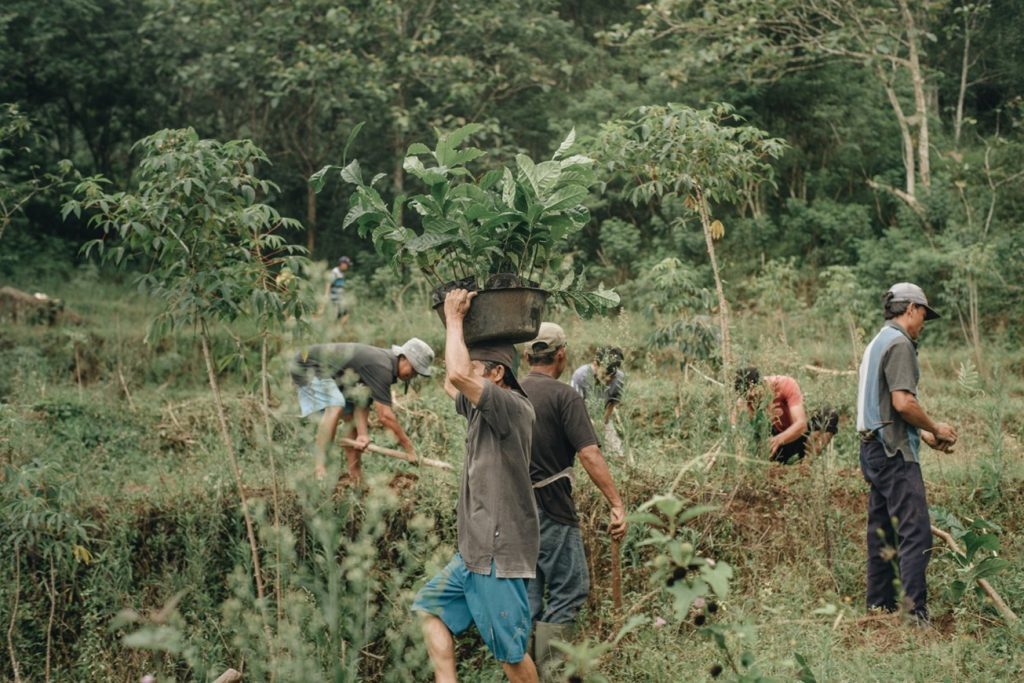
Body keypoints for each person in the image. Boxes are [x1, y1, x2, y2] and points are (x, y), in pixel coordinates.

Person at [413, 289, 540, 683]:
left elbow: (456, 375)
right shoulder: (479, 407)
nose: (469, 373)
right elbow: (453, 384)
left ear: (497, 373)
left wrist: (454, 320)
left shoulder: (511, 407)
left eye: (478, 367)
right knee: (429, 609)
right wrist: (461, 336)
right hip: (472, 554)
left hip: (498, 554)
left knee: (511, 656)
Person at [519, 323, 627, 679]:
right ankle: (549, 670)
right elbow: (590, 453)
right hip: (551, 506)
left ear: (526, 356)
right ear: (561, 355)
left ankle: (524, 669)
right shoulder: (566, 396)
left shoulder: (509, 392)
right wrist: (616, 502)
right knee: (570, 588)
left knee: (530, 593)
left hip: (514, 509)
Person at [856, 282, 958, 623]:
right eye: (924, 314)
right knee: (916, 530)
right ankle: (915, 614)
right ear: (911, 308)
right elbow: (903, 402)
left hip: (872, 449)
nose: (924, 322)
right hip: (893, 452)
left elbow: (885, 406)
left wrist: (920, 431)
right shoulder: (900, 343)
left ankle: (879, 607)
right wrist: (934, 428)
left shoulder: (877, 341)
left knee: (882, 530)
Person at [290, 338, 434, 482]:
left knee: (350, 421)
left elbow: (362, 401)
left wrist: (363, 434)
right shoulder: (382, 367)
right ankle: (320, 467)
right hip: (307, 365)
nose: (413, 375)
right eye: (414, 369)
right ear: (403, 358)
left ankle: (355, 476)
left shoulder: (384, 366)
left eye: (417, 373)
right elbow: (385, 415)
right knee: (335, 406)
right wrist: (408, 447)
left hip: (331, 375)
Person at [733, 367, 839, 463]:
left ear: (763, 383)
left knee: (829, 415)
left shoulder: (784, 384)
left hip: (794, 434)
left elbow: (801, 424)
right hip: (771, 440)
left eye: (755, 395)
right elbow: (737, 432)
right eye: (749, 398)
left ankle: (805, 466)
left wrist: (778, 440)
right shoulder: (743, 402)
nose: (753, 400)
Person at [570, 346, 625, 426]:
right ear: (595, 364)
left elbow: (612, 403)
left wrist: (603, 423)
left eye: (612, 375)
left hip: (601, 420)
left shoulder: (619, 378)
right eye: (604, 374)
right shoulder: (580, 376)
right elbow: (575, 409)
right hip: (580, 421)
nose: (608, 378)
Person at [324, 256, 352, 323]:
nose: (347, 267)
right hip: (334, 299)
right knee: (340, 315)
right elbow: (328, 283)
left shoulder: (341, 273)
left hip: (339, 299)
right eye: (347, 265)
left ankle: (338, 329)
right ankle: (336, 330)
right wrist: (326, 295)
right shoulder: (335, 272)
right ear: (342, 263)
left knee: (344, 314)